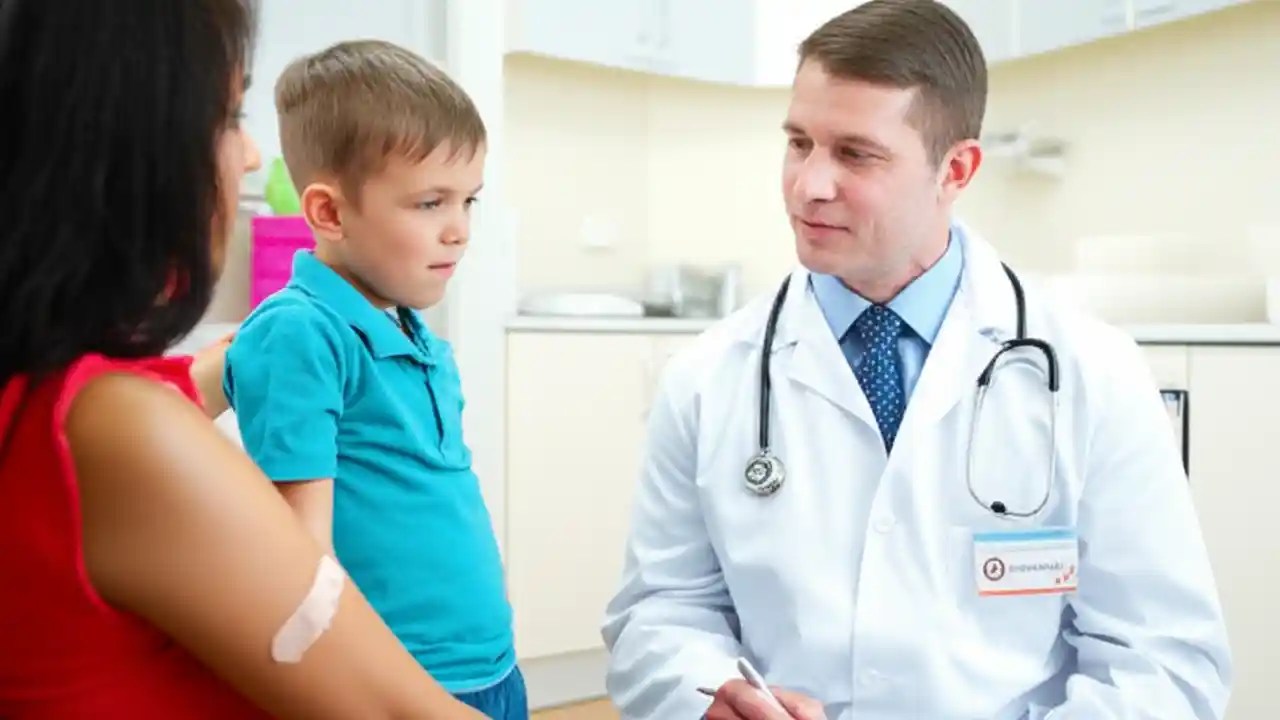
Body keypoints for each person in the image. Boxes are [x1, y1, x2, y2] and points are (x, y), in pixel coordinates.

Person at [600, 1, 1233, 719]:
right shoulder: (709, 378)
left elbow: (1163, 659)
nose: (809, 184)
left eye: (855, 153)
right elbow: (662, 612)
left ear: (955, 169)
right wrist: (708, 699)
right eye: (799, 142)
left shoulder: (1096, 373)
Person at [0, 2, 487, 718]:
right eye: (229, 118)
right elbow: (393, 707)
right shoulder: (113, 427)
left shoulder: (84, 400)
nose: (253, 156)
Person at [222, 40, 524, 719]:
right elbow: (302, 561)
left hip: (488, 666)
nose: (459, 232)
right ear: (329, 213)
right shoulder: (302, 333)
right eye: (429, 204)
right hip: (397, 689)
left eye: (468, 201)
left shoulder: (414, 332)